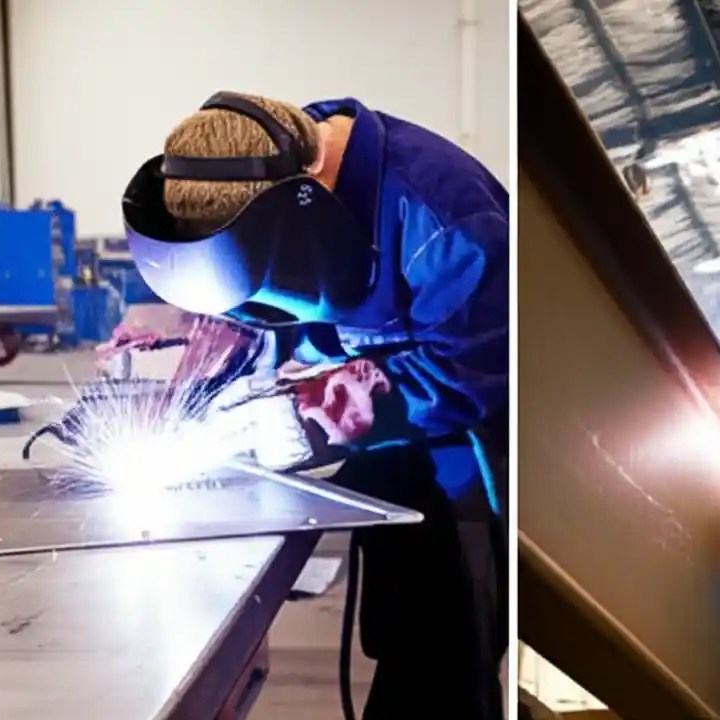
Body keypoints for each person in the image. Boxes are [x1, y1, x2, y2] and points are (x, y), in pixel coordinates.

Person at [116, 91, 508, 719]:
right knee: (400, 634)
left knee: (450, 658)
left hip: (467, 475)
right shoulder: (265, 173)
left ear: (311, 194)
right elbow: (253, 313)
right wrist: (198, 392)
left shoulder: (440, 214)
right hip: (387, 467)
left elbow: (481, 365)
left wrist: (307, 415)